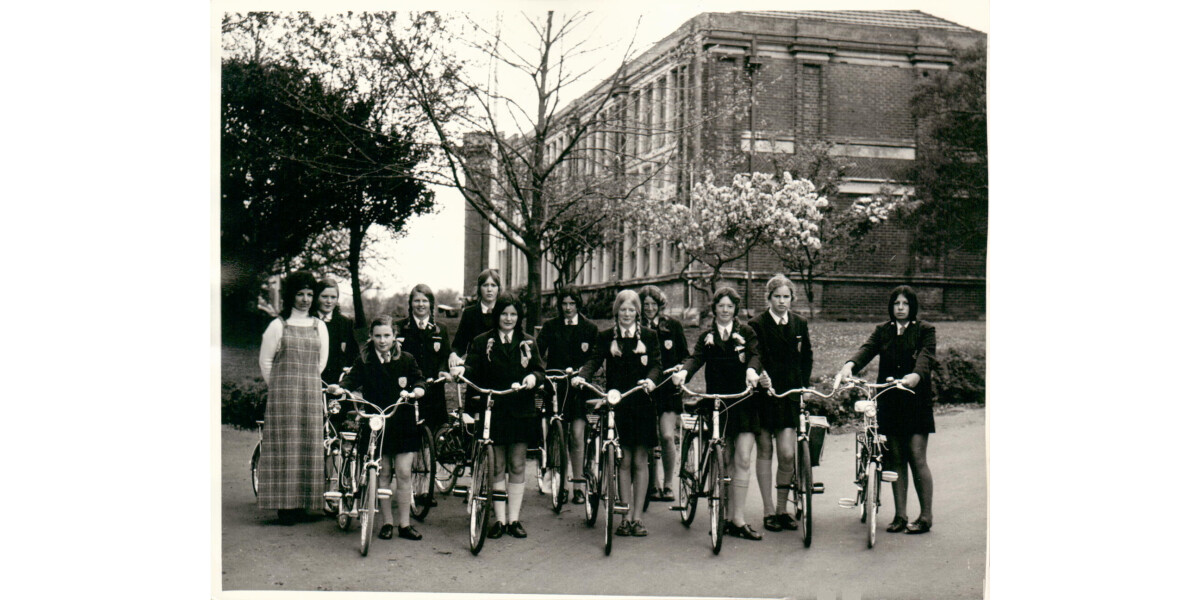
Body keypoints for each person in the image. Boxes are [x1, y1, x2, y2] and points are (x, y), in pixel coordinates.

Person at [833, 285, 937, 535]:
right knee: (895, 457)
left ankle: (925, 516)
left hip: (915, 400)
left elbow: (926, 357)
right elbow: (867, 349)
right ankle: (900, 515)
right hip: (889, 401)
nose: (900, 308)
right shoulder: (883, 330)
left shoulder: (925, 330)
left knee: (916, 456)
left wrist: (915, 375)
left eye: (905, 304)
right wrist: (849, 366)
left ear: (912, 306)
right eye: (896, 304)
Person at [451, 291, 545, 539]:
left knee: (517, 464)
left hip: (521, 410)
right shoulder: (483, 341)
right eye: (504, 314)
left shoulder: (528, 342)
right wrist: (461, 371)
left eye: (513, 314)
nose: (509, 318)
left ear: (519, 317)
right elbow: (472, 368)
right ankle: (500, 520)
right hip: (494, 410)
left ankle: (514, 519)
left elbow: (540, 370)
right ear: (497, 315)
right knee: (497, 465)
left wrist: (532, 377)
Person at [672, 286, 764, 540]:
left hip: (742, 401)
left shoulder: (746, 333)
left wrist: (752, 370)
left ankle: (738, 519)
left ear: (735, 309)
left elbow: (756, 355)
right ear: (714, 308)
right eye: (721, 306)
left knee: (742, 458)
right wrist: (683, 373)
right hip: (717, 404)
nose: (725, 310)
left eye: (729, 306)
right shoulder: (707, 337)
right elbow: (696, 358)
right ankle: (721, 515)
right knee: (722, 457)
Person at [328, 315, 427, 541]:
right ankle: (387, 522)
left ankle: (405, 524)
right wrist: (341, 388)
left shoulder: (406, 359)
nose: (382, 341)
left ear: (394, 336)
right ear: (371, 337)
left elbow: (419, 380)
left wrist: (417, 390)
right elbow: (350, 380)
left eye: (387, 336)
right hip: (376, 423)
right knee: (383, 473)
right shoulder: (365, 360)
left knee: (404, 473)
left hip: (402, 422)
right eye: (378, 336)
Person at [574, 290, 662, 537]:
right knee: (623, 461)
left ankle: (638, 517)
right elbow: (594, 361)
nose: (627, 314)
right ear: (616, 312)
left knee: (640, 460)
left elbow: (657, 364)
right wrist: (582, 376)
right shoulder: (606, 337)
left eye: (631, 310)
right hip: (618, 403)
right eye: (623, 309)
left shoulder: (649, 336)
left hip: (642, 403)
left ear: (637, 312)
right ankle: (624, 516)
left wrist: (651, 380)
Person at [257, 271, 329, 525]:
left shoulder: (319, 326)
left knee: (308, 445)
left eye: (309, 294)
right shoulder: (278, 326)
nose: (305, 299)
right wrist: (281, 387)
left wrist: (306, 382)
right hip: (283, 396)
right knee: (285, 447)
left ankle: (304, 503)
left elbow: (321, 362)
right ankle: (285, 506)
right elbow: (266, 362)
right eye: (300, 294)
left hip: (309, 393)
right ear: (291, 296)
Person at [748, 275, 813, 533]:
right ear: (769, 298)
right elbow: (754, 355)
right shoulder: (756, 324)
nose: (782, 301)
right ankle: (768, 511)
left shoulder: (799, 323)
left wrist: (803, 386)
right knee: (765, 451)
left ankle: (782, 509)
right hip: (764, 396)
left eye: (786, 297)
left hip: (789, 396)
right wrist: (760, 376)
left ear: (792, 298)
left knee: (787, 453)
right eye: (777, 297)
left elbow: (806, 357)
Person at [536, 285, 599, 505]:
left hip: (579, 388)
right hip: (556, 386)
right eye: (564, 303)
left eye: (572, 303)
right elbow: (538, 353)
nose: (568, 308)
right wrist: (540, 373)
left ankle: (578, 485)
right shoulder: (550, 326)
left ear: (578, 304)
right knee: (557, 435)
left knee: (578, 435)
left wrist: (584, 374)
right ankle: (560, 485)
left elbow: (595, 358)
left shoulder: (590, 328)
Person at [638, 285, 688, 503]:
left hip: (668, 389)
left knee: (667, 436)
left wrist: (680, 368)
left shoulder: (672, 326)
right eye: (645, 304)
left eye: (653, 304)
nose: (650, 308)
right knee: (649, 437)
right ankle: (653, 484)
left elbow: (685, 356)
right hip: (646, 389)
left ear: (660, 305)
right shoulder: (637, 327)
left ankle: (668, 484)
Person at [315, 278, 360, 500]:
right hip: (314, 385)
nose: (328, 301)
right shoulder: (310, 322)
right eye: (324, 296)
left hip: (338, 388)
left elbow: (354, 355)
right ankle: (317, 486)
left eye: (333, 297)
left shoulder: (344, 323)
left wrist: (348, 374)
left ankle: (338, 486)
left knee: (337, 437)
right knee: (317, 437)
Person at [399, 284, 452, 432]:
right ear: (411, 303)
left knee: (434, 433)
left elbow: (445, 356)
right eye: (417, 300)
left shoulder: (440, 328)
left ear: (431, 304)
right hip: (409, 389)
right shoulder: (401, 328)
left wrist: (442, 371)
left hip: (434, 389)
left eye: (424, 301)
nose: (420, 304)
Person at [450, 269, 503, 367]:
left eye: (493, 285)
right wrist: (453, 354)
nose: (489, 289)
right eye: (485, 285)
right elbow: (459, 344)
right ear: (479, 288)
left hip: (499, 367)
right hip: (474, 366)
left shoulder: (504, 313)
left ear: (498, 288)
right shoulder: (469, 313)